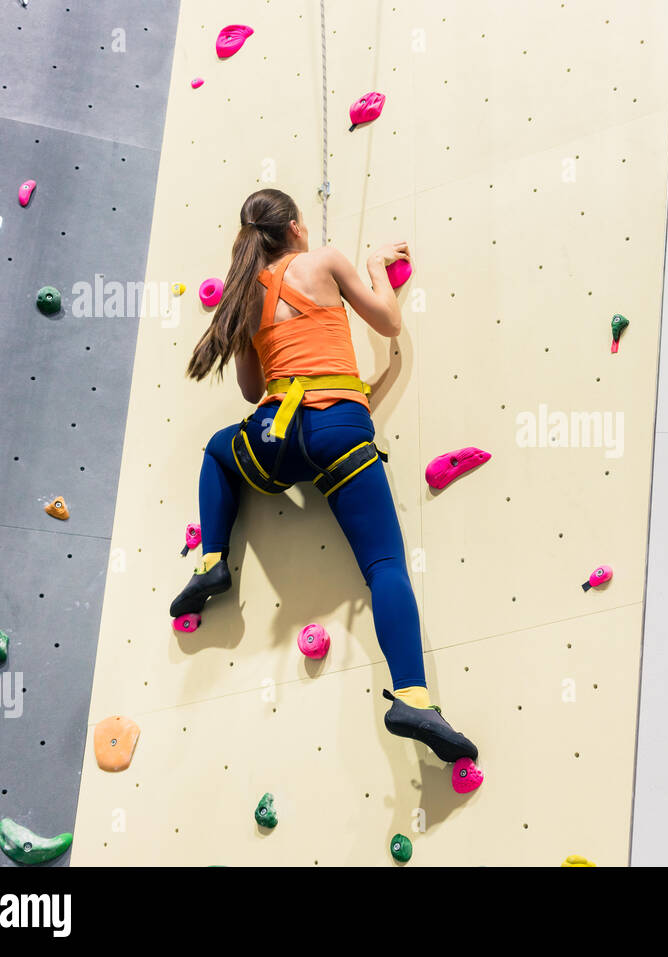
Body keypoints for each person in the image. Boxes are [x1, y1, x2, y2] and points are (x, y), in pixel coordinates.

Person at [173, 187, 479, 761]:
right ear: (294, 226)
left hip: (275, 438)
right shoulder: (325, 261)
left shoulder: (241, 297)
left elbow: (250, 390)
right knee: (384, 565)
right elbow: (387, 323)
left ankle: (213, 563)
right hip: (338, 427)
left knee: (218, 452)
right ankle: (411, 695)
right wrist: (372, 267)